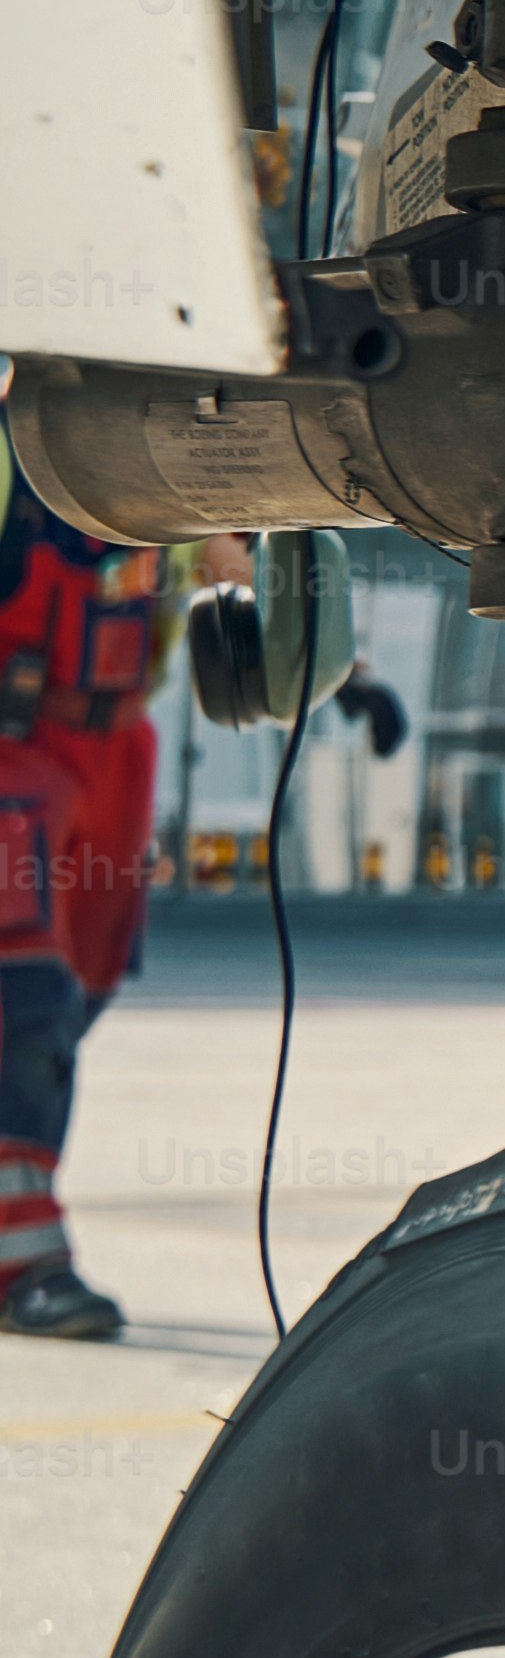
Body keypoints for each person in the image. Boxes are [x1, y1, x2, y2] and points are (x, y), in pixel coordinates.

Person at [0, 469, 182, 1340]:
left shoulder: (165, 450)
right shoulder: (13, 452)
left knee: (76, 1005)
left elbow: (236, 565)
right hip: (14, 747)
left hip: (116, 756)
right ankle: (24, 1266)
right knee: (25, 1004)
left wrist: (340, 669)